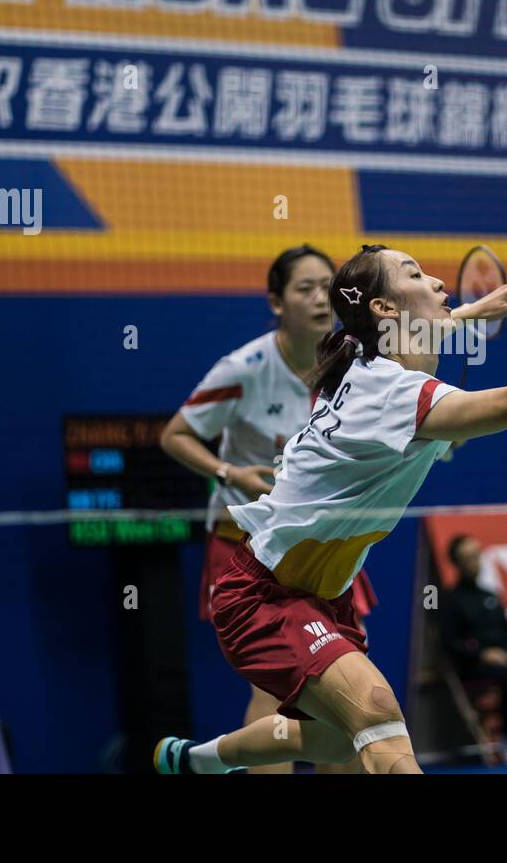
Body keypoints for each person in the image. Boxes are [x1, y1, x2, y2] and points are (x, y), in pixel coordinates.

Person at [154, 243, 507, 774]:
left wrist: (474, 312)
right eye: (415, 273)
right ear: (384, 309)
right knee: (377, 710)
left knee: (339, 742)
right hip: (264, 596)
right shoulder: (388, 391)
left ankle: (200, 761)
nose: (437, 282)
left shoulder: (357, 358)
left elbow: (423, 330)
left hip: (323, 595)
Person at [160, 244, 378, 774]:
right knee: (276, 688)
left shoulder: (354, 362)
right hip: (247, 548)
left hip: (320, 547)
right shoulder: (246, 368)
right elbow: (176, 435)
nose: (319, 298)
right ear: (276, 302)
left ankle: (205, 762)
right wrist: (230, 473)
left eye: (327, 286)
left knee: (347, 695)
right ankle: (210, 762)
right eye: (304, 288)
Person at [441, 533, 507, 763]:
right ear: (457, 563)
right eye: (467, 557)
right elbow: (451, 643)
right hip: (475, 666)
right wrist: (482, 653)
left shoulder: (491, 595)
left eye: (477, 555)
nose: (474, 562)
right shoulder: (449, 600)